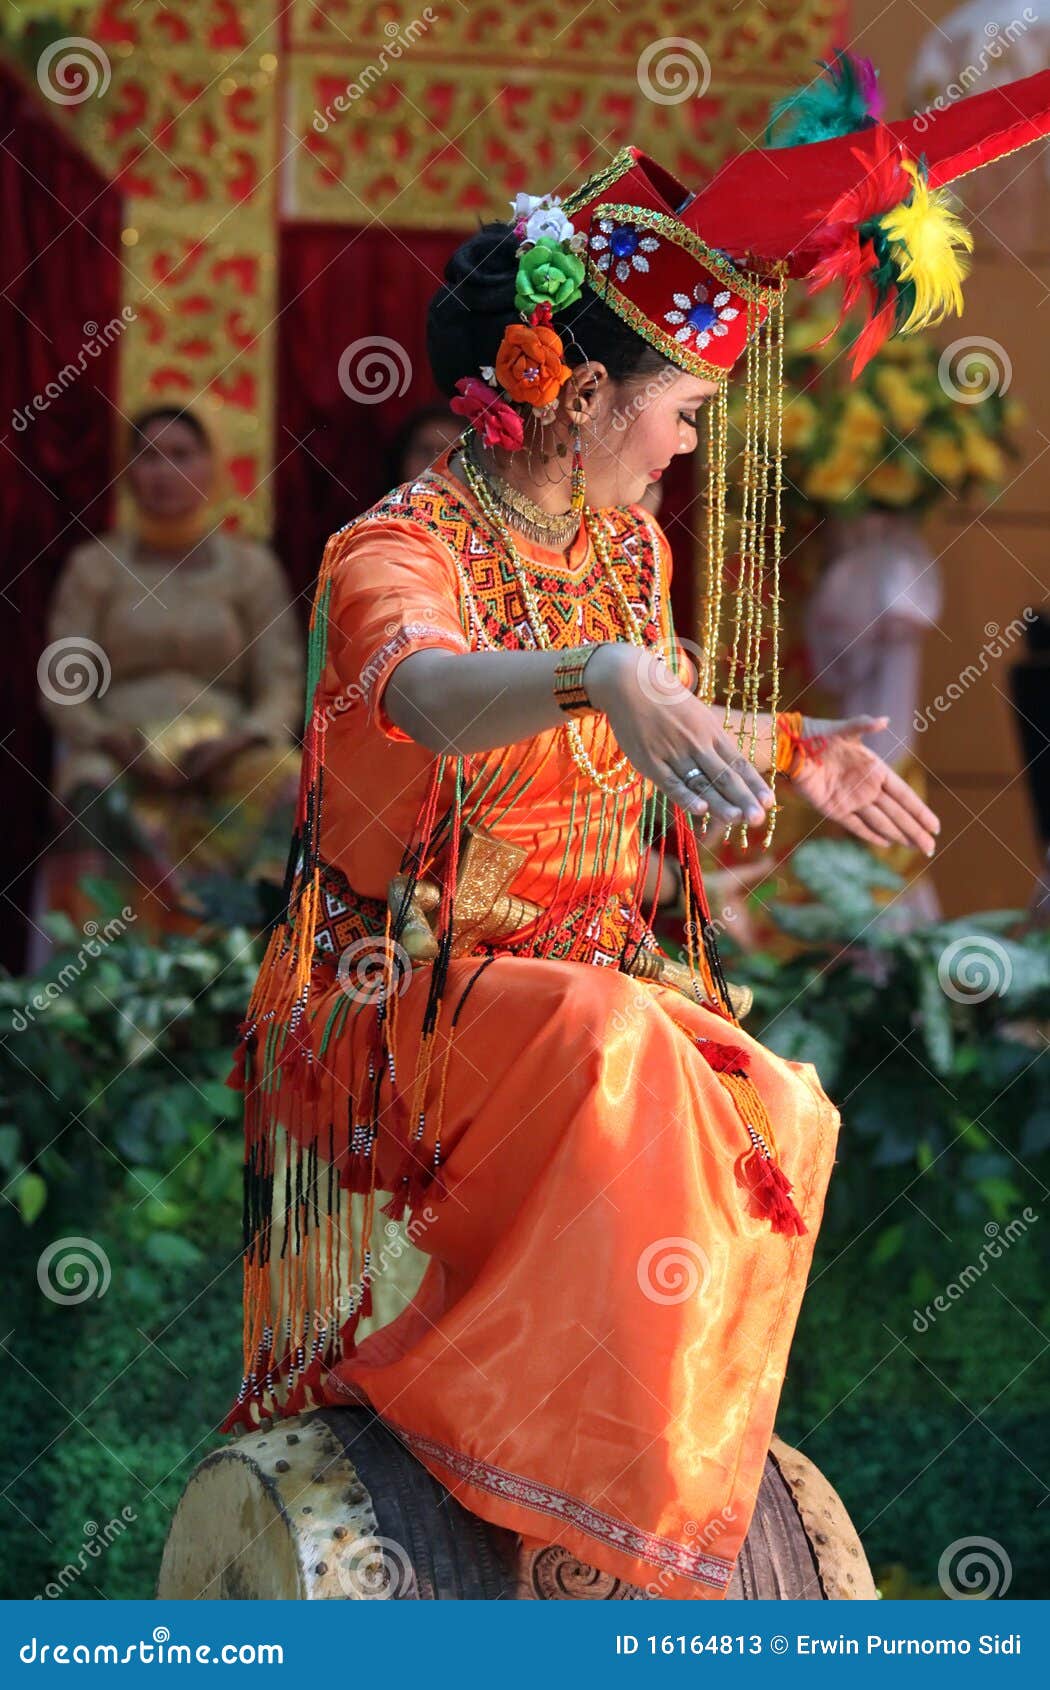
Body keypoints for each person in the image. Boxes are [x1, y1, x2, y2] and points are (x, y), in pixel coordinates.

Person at [219, 138, 945, 1602]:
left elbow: (645, 702)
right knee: (614, 1043)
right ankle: (480, 1431)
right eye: (679, 412)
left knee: (778, 1101)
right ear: (583, 395)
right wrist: (601, 671)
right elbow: (429, 696)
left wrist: (800, 745)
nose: (686, 446)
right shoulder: (394, 551)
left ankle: (628, 1502)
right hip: (399, 997)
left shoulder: (623, 554)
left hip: (570, 980)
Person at [36, 408, 303, 943]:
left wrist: (241, 740)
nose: (164, 472)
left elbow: (283, 680)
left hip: (226, 750)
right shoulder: (94, 568)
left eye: (182, 455)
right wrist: (106, 738)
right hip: (117, 748)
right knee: (91, 794)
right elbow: (63, 682)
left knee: (294, 785)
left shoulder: (251, 569)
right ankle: (106, 990)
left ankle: (248, 967)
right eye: (148, 456)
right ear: (127, 473)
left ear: (214, 468)